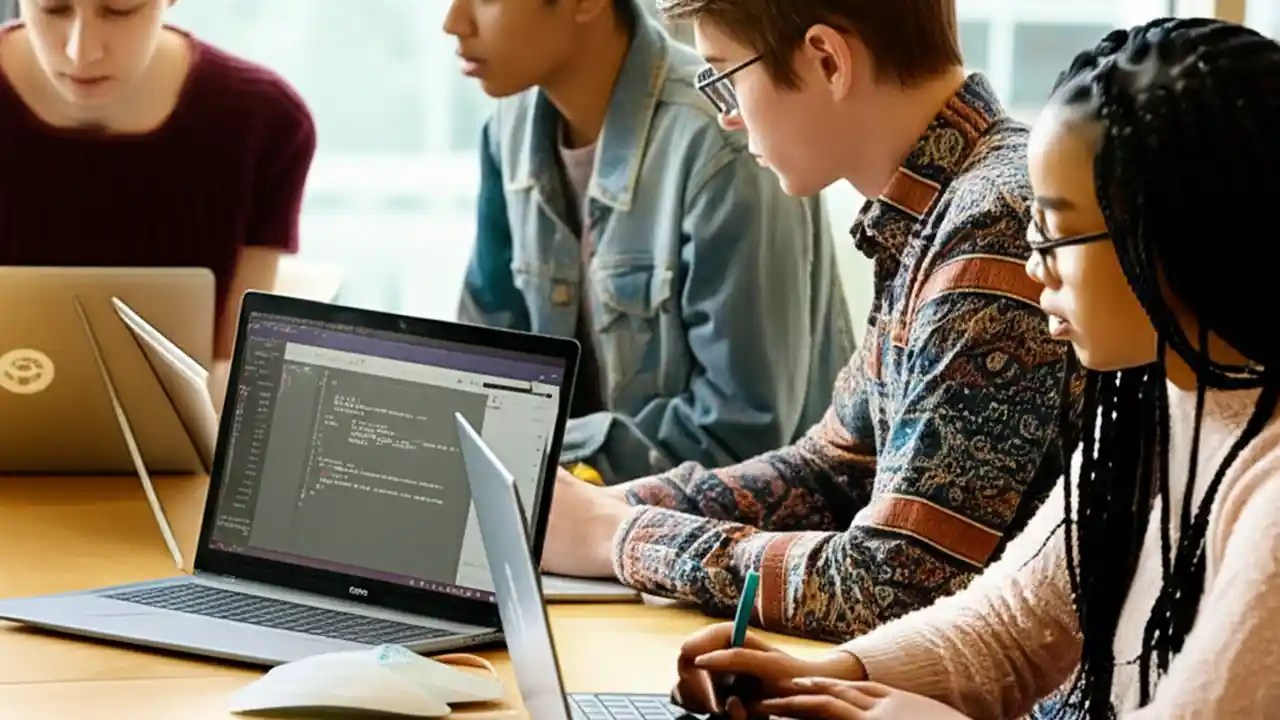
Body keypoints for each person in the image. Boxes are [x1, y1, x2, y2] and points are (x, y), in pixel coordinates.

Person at [670, 17, 1280, 719]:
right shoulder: (1164, 397)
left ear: (1176, 235)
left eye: (1056, 230)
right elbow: (1010, 628)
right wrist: (818, 678)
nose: (1032, 265)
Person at [539, 0, 1080, 643]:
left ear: (827, 59)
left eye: (724, 76)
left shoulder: (990, 230)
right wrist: (609, 508)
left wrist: (615, 537)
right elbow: (829, 471)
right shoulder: (938, 211)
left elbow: (894, 585)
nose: (730, 115)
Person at [444, 0, 854, 484]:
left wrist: (541, 448)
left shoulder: (724, 142)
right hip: (587, 523)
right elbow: (483, 375)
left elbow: (742, 434)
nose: (454, 22)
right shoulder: (506, 131)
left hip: (744, 535)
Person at [0, 0, 315, 366]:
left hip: (184, 425)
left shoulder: (266, 123)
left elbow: (236, 369)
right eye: (52, 9)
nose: (80, 53)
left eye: (120, 10)